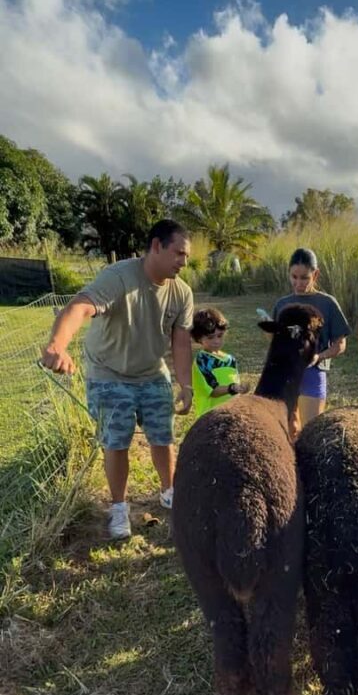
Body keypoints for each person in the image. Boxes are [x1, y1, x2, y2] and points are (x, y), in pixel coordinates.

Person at [40, 219, 195, 540]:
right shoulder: (119, 277)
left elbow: (181, 341)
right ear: (156, 246)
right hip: (109, 373)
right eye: (178, 253)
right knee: (117, 442)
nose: (183, 261)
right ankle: (119, 508)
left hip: (152, 372)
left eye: (187, 256)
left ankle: (170, 491)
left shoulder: (182, 292)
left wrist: (186, 384)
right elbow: (80, 308)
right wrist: (57, 345)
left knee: (163, 437)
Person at [272, 248, 351, 427]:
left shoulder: (327, 303)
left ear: (315, 275)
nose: (298, 283)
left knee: (310, 431)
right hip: (285, 374)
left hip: (313, 373)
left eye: (304, 278)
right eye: (294, 277)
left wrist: (318, 357)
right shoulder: (281, 304)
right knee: (286, 430)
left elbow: (341, 344)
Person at [191, 307, 248, 418]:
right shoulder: (203, 360)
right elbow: (213, 391)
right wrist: (232, 388)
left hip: (231, 415)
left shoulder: (230, 359)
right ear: (199, 339)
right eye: (210, 337)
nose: (217, 341)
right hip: (210, 418)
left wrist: (241, 389)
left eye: (220, 335)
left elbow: (235, 389)